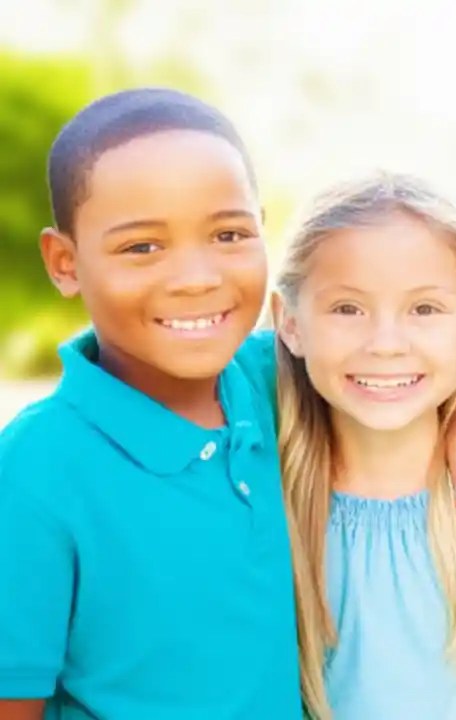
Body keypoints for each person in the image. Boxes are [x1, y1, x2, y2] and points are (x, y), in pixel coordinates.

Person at [0, 88, 301, 720]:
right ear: (65, 262)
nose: (197, 276)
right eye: (142, 247)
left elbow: (427, 346)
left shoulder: (292, 376)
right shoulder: (35, 469)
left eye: (228, 233)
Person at [272, 173, 456, 720]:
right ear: (290, 323)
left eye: (424, 309)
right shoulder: (265, 493)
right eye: (347, 309)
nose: (386, 344)